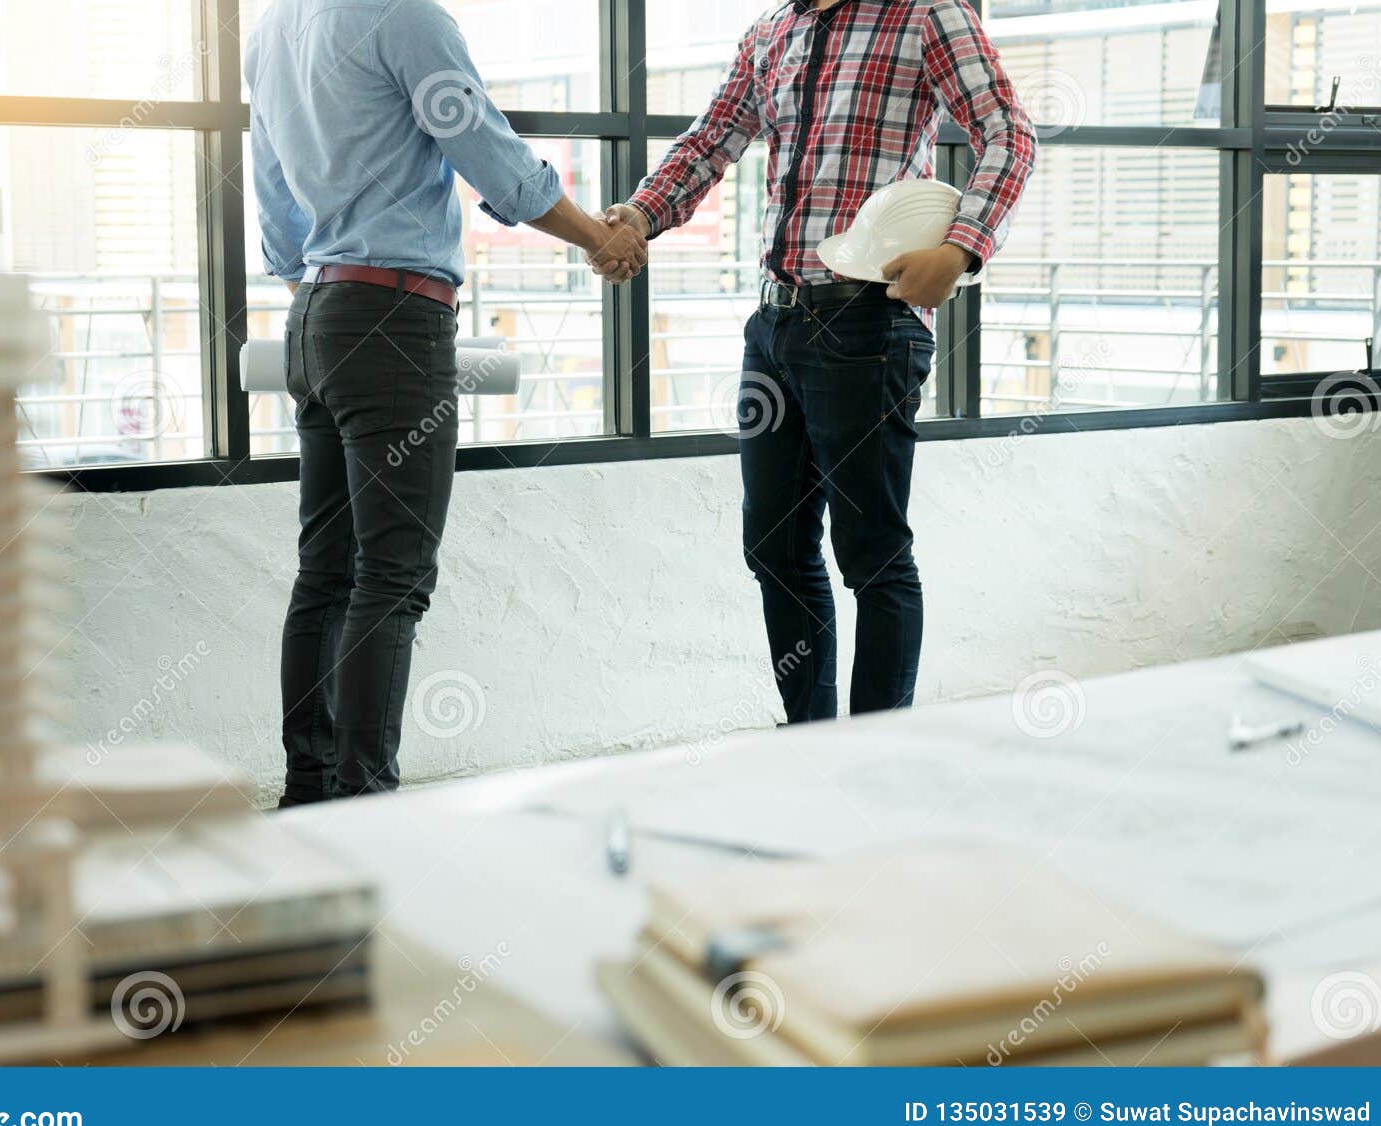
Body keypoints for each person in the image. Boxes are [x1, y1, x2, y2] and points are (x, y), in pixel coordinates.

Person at [248, 0, 645, 806]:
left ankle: (307, 795)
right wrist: (595, 236)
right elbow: (484, 148)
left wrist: (325, 299)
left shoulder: (273, 28)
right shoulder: (403, 14)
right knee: (391, 578)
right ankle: (367, 808)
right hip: (393, 318)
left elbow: (274, 202)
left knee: (324, 572)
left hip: (315, 314)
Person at [602, 0, 1035, 721]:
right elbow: (711, 139)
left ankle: (874, 757)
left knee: (873, 556)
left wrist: (960, 248)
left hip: (867, 323)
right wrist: (639, 215)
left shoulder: (924, 13)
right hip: (774, 326)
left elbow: (1010, 134)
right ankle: (812, 741)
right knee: (773, 545)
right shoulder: (774, 30)